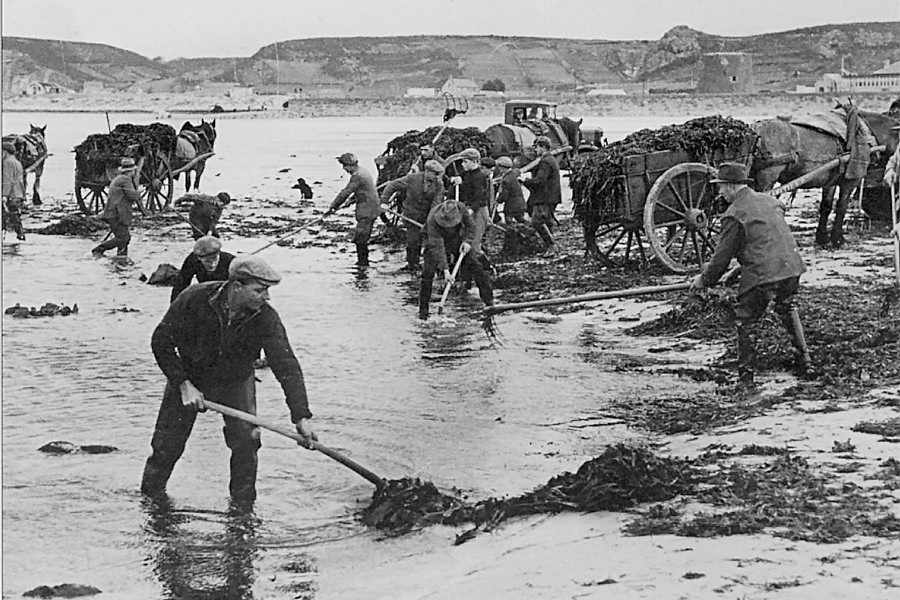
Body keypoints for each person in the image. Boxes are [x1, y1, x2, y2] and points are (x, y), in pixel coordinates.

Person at [142, 254, 317, 505]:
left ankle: (242, 513)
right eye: (259, 290)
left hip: (235, 381)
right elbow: (160, 341)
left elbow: (286, 365)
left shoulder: (266, 317)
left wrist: (301, 416)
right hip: (190, 377)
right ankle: (151, 506)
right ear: (236, 286)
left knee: (247, 443)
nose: (266, 297)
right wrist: (183, 384)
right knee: (166, 445)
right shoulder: (194, 299)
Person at [690, 162, 810, 387]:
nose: (720, 192)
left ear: (731, 186)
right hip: (791, 267)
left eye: (721, 187)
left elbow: (721, 258)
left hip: (764, 275)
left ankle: (746, 379)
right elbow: (765, 240)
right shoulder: (771, 202)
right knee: (787, 306)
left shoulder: (734, 214)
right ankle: (805, 361)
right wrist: (737, 270)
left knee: (746, 320)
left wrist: (703, 281)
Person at [418, 200, 493, 320]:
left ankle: (489, 303)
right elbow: (438, 246)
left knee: (476, 266)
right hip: (433, 241)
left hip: (456, 239)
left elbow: (471, 226)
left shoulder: (461, 208)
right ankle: (423, 313)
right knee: (428, 274)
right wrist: (446, 270)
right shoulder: (432, 218)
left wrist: (467, 241)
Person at [380, 159, 445, 271]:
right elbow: (392, 185)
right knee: (412, 240)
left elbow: (436, 204)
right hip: (411, 215)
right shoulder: (412, 179)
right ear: (427, 171)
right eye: (435, 174)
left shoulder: (439, 184)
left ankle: (427, 265)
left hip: (426, 215)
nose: (437, 177)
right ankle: (412, 265)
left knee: (428, 241)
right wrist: (384, 201)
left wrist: (430, 221)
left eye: (438, 174)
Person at [328, 152, 380, 267]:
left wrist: (333, 207)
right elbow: (361, 190)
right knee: (361, 238)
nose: (344, 169)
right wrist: (351, 200)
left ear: (350, 165)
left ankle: (363, 265)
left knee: (360, 239)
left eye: (344, 166)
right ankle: (363, 264)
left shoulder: (357, 176)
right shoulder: (363, 171)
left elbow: (345, 192)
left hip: (367, 210)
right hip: (370, 207)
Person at [92, 157, 143, 257]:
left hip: (115, 213)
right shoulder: (125, 180)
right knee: (124, 238)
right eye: (133, 170)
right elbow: (132, 196)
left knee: (123, 239)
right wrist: (139, 193)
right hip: (117, 214)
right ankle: (98, 250)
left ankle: (121, 259)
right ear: (130, 171)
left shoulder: (119, 179)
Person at [522, 136, 561, 253]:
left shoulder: (545, 162)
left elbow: (540, 180)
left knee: (537, 221)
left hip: (544, 197)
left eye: (537, 147)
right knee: (548, 221)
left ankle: (551, 246)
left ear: (543, 147)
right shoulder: (551, 159)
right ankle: (549, 246)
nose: (535, 150)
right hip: (552, 196)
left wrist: (524, 181)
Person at [170, 236, 236, 302]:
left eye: (215, 259)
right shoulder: (193, 260)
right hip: (206, 293)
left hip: (228, 295)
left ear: (219, 253)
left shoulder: (232, 262)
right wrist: (175, 306)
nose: (212, 264)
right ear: (199, 258)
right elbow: (180, 285)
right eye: (207, 261)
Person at [2, 141, 26, 241]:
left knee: (5, 216)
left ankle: (4, 237)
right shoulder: (17, 162)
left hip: (11, 194)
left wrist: (4, 195)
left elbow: (7, 180)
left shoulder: (7, 162)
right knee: (15, 216)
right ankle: (20, 236)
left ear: (5, 152)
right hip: (18, 193)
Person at [495, 156, 527, 223]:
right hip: (521, 203)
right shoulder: (513, 175)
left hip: (511, 205)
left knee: (509, 222)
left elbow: (504, 195)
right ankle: (530, 228)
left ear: (502, 167)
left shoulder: (506, 179)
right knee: (521, 220)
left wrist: (498, 201)